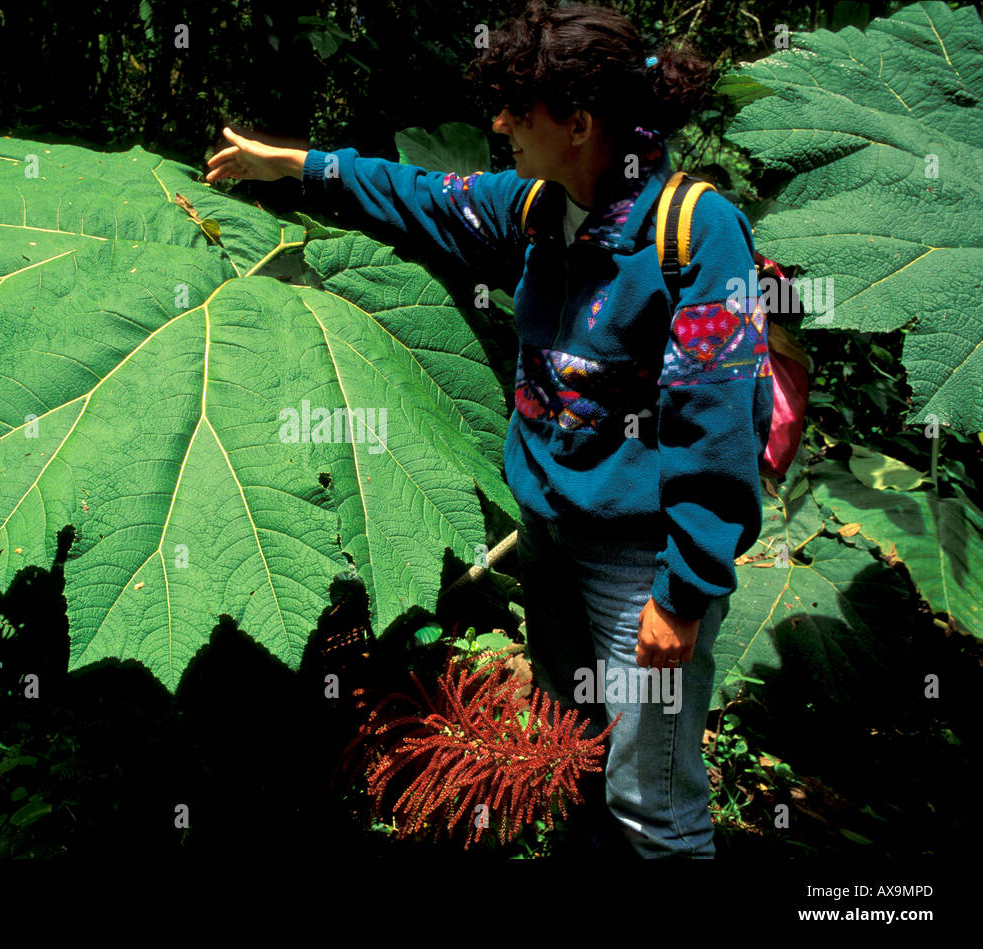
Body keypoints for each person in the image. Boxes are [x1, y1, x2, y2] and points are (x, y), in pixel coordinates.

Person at [205, 1, 772, 858]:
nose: (500, 123)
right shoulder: (541, 211)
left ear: (578, 124)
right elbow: (424, 197)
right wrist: (295, 166)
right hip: (551, 542)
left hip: (639, 563)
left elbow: (718, 417)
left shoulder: (695, 233)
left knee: (651, 800)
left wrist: (684, 591)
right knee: (573, 755)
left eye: (519, 109)